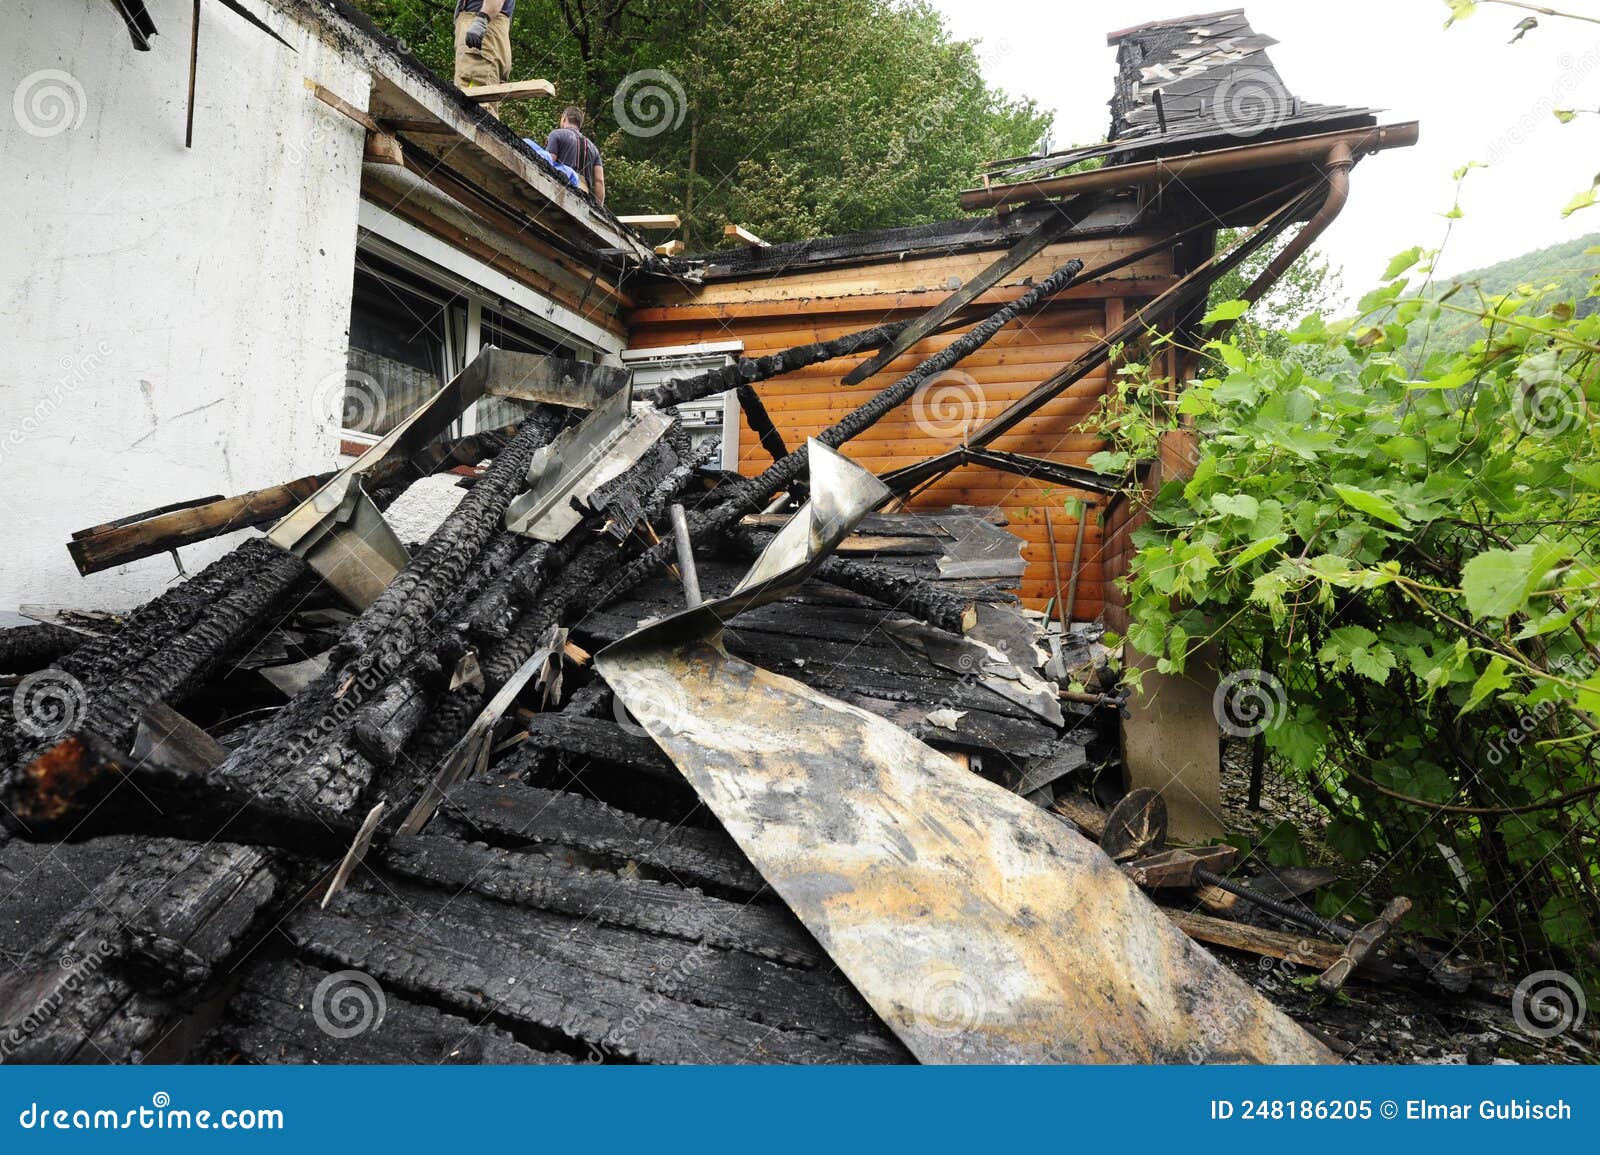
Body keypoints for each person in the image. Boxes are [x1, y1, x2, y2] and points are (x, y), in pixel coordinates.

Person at [454, 0, 513, 115]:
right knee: (480, 102)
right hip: (489, 29)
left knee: (472, 104)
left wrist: (482, 19)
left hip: (484, 25)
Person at [545, 106, 605, 206]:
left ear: (564, 118)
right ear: (580, 124)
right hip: (584, 201)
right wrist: (598, 211)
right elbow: (599, 181)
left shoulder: (556, 134)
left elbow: (548, 164)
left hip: (560, 194)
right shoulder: (594, 149)